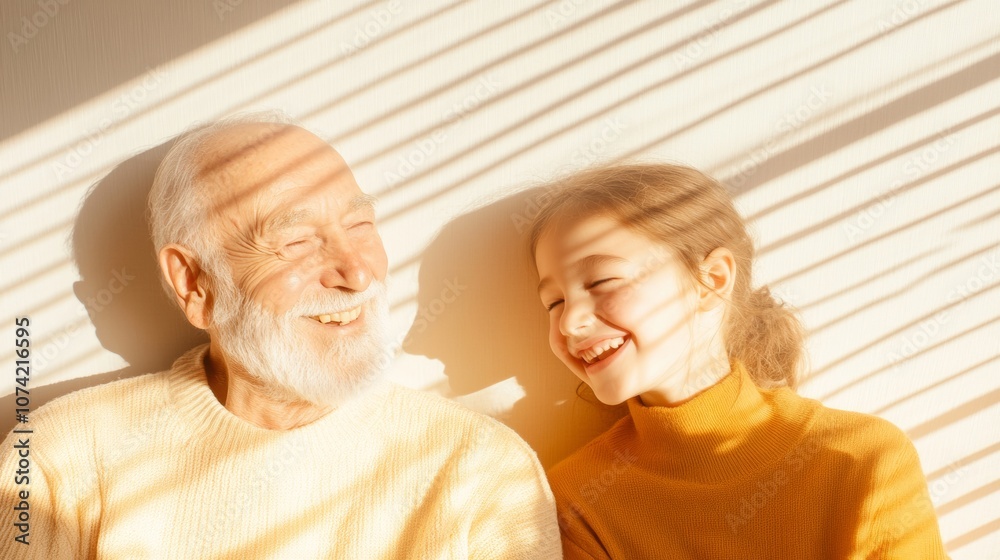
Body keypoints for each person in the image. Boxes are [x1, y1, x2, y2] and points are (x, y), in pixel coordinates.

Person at [0, 113, 561, 559]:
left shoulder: (480, 467)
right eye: (296, 242)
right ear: (193, 283)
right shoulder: (61, 457)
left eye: (360, 226)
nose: (358, 274)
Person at [529, 163, 949, 558]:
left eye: (601, 281)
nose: (570, 322)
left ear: (711, 281)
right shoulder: (577, 499)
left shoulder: (861, 458)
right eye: (554, 302)